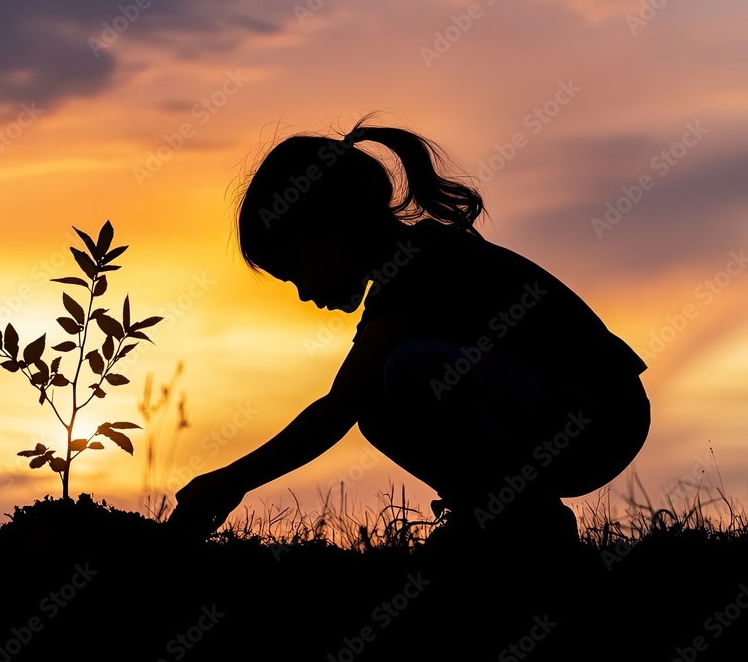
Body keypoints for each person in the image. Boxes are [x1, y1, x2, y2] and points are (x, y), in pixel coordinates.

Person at [168, 117, 651, 545]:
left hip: (598, 416)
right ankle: (497, 518)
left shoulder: (418, 265)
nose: (303, 293)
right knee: (379, 403)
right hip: (562, 411)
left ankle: (526, 521)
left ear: (334, 228)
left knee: (409, 370)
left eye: (296, 268)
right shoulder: (405, 270)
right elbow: (353, 403)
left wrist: (231, 480)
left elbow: (336, 408)